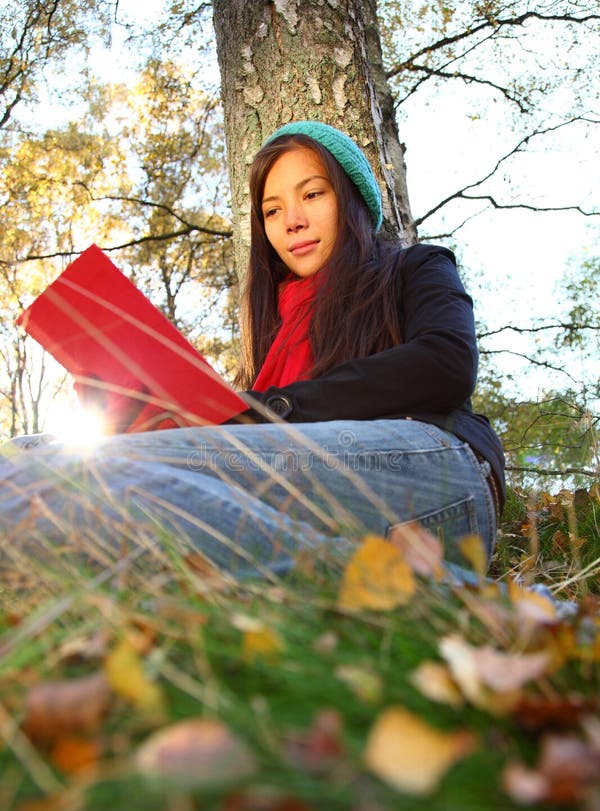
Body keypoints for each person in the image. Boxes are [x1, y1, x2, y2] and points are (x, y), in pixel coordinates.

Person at [0, 121, 504, 579]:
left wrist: (272, 409)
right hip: (333, 510)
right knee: (30, 457)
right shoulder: (274, 332)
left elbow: (447, 363)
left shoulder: (415, 267)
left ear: (350, 199)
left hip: (441, 472)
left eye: (313, 194)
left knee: (50, 474)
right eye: (272, 209)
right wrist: (118, 405)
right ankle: (430, 590)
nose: (292, 221)